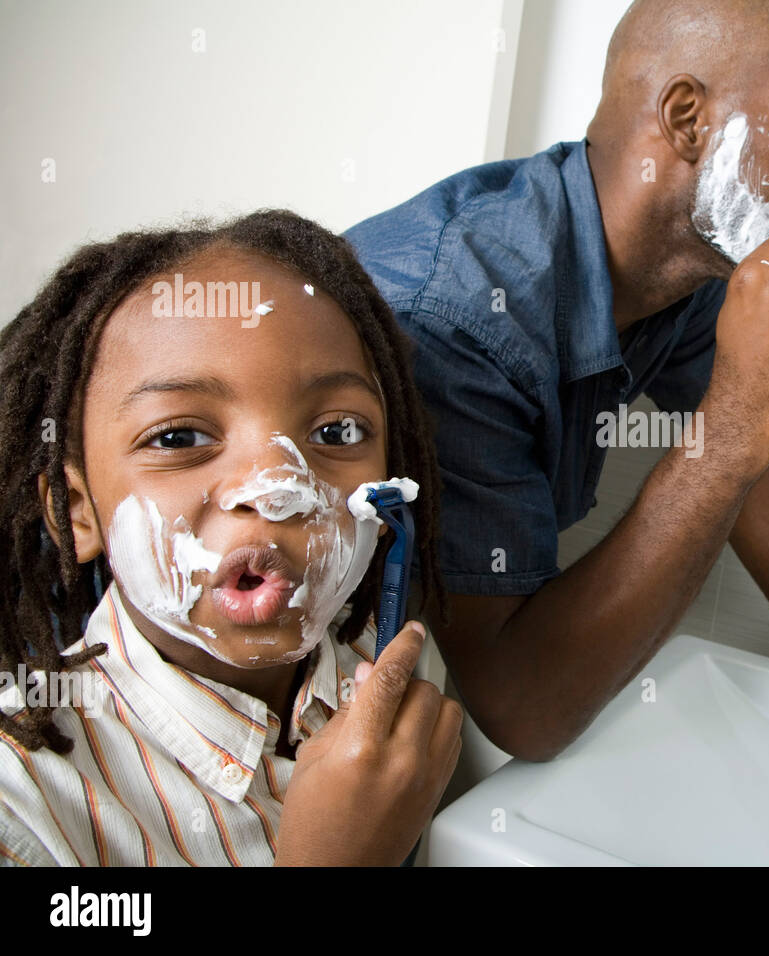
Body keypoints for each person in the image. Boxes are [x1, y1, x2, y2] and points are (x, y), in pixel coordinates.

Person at [344, 0, 769, 770]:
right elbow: (522, 710)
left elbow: (717, 428)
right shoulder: (456, 318)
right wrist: (748, 414)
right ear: (688, 118)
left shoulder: (683, 268)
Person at [0, 210, 462, 866]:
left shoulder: (390, 658)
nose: (277, 486)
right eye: (179, 438)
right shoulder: (21, 805)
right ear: (77, 512)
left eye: (335, 433)